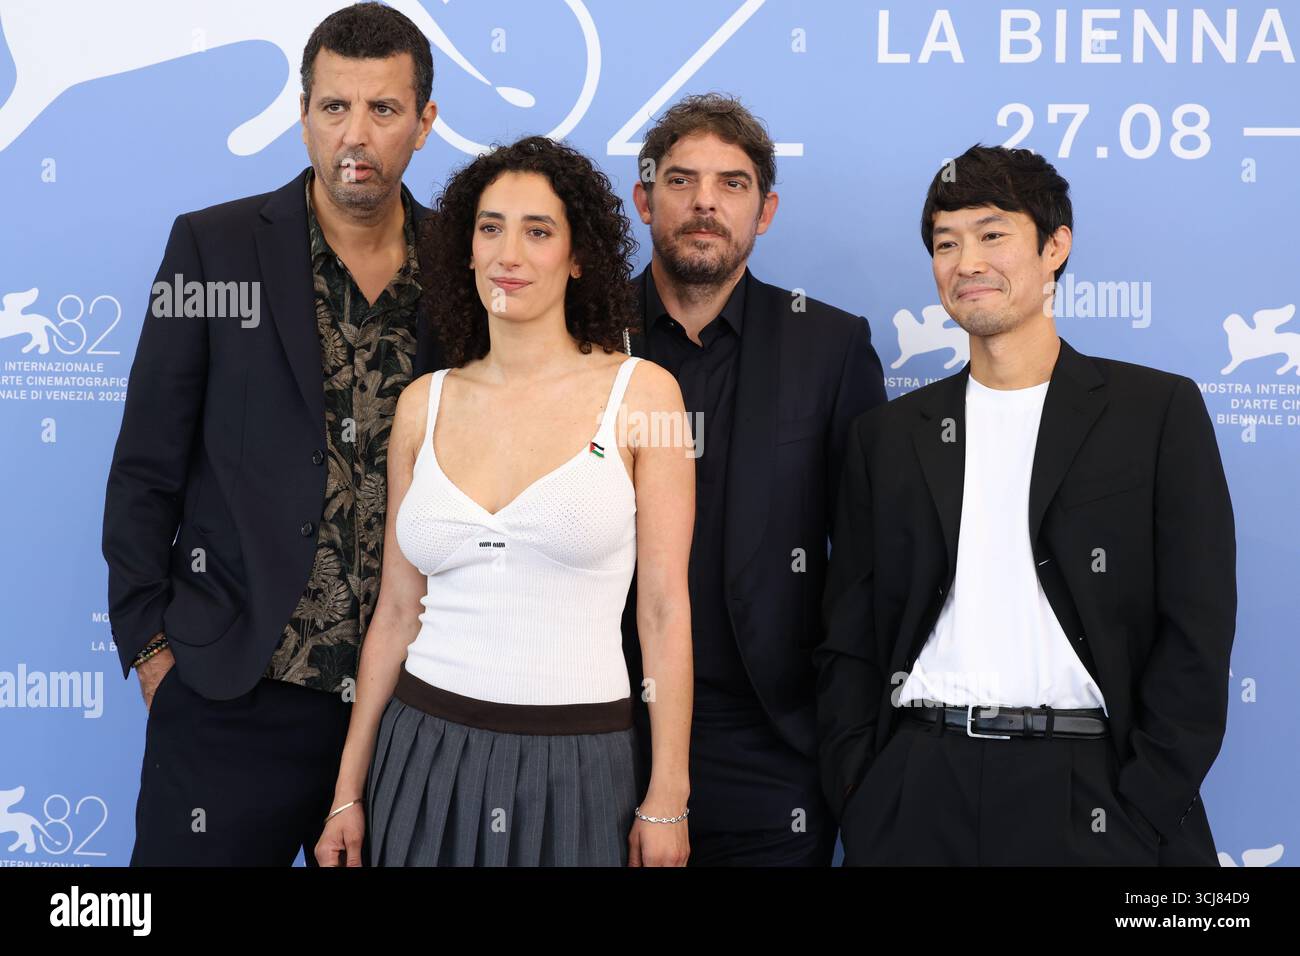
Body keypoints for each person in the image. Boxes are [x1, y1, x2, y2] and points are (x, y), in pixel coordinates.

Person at [815, 144, 1236, 865]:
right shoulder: (885, 437)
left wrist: (1145, 800)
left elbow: (1197, 628)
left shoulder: (1155, 411)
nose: (967, 262)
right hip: (916, 791)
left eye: (992, 234)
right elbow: (850, 633)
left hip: (1092, 795)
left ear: (1055, 247)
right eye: (946, 243)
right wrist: (863, 789)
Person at [102, 3, 442, 865]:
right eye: (334, 108)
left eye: (383, 109)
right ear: (302, 117)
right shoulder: (214, 250)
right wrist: (151, 649)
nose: (355, 134)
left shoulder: (466, 269)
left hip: (410, 711)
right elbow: (147, 464)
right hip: (232, 691)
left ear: (425, 123)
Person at [314, 136, 695, 867]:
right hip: (420, 753)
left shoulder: (641, 394)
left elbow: (663, 610)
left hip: (579, 763)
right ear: (465, 246)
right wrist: (347, 789)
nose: (507, 253)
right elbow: (396, 611)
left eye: (538, 230)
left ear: (578, 256)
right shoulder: (425, 403)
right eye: (490, 227)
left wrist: (668, 794)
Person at [621, 93, 887, 866]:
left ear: (765, 210)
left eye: (732, 185)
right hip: (600, 726)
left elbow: (867, 559)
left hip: (775, 743)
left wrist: (840, 732)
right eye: (681, 181)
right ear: (644, 200)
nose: (706, 203)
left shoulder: (830, 345)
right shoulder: (582, 335)